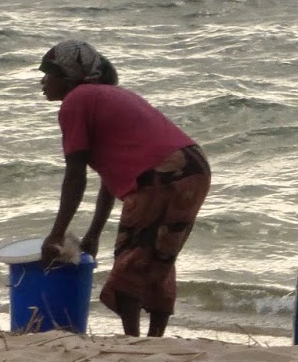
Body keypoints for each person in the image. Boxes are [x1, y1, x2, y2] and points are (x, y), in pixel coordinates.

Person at [38, 40, 210, 338]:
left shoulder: (76, 100)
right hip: (193, 167)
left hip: (162, 172)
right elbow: (111, 176)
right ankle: (154, 338)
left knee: (133, 254)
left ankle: (133, 338)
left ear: (67, 77)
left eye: (47, 74)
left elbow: (75, 176)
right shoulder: (108, 96)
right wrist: (93, 234)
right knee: (160, 253)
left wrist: (56, 234)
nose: (42, 82)